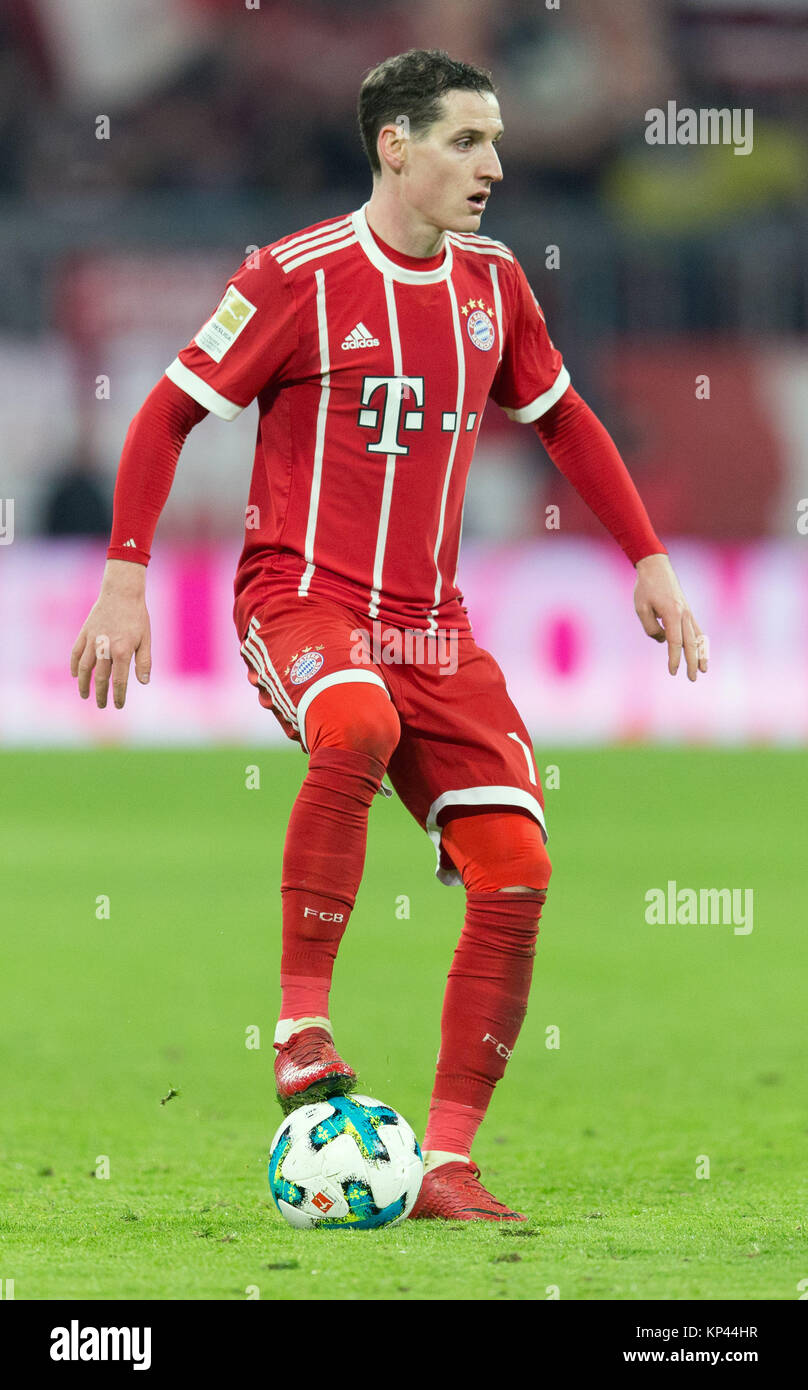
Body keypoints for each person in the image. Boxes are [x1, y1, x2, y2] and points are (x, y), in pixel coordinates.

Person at [70, 49, 707, 1222]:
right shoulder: (292, 275)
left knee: (518, 871)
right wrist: (124, 579)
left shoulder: (495, 283)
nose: (495, 166)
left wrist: (650, 558)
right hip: (298, 598)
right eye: (467, 142)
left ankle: (449, 1166)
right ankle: (301, 1027)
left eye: (497, 141)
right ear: (394, 146)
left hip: (434, 624)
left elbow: (563, 419)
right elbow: (164, 415)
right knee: (352, 717)